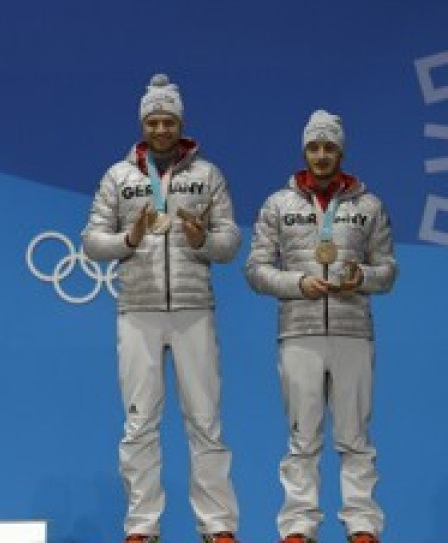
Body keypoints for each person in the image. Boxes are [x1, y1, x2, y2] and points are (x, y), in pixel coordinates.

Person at [82, 74, 241, 543]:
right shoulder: (119, 176)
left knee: (206, 420)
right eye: (153, 120)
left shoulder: (206, 175)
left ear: (180, 123)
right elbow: (92, 241)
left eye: (168, 120)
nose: (161, 128)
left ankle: (217, 525)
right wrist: (130, 238)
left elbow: (231, 240)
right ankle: (142, 525)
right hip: (138, 310)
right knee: (139, 422)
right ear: (142, 125)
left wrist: (201, 239)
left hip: (194, 309)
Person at [244, 110, 396, 543]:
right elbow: (256, 270)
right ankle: (298, 527)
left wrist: (360, 278)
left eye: (330, 147)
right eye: (314, 147)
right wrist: (297, 284)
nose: (322, 155)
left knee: (355, 437)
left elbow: (388, 270)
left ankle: (362, 524)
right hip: (299, 331)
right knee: (302, 438)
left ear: (341, 151)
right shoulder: (278, 205)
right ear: (304, 151)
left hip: (352, 331)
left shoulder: (369, 206)